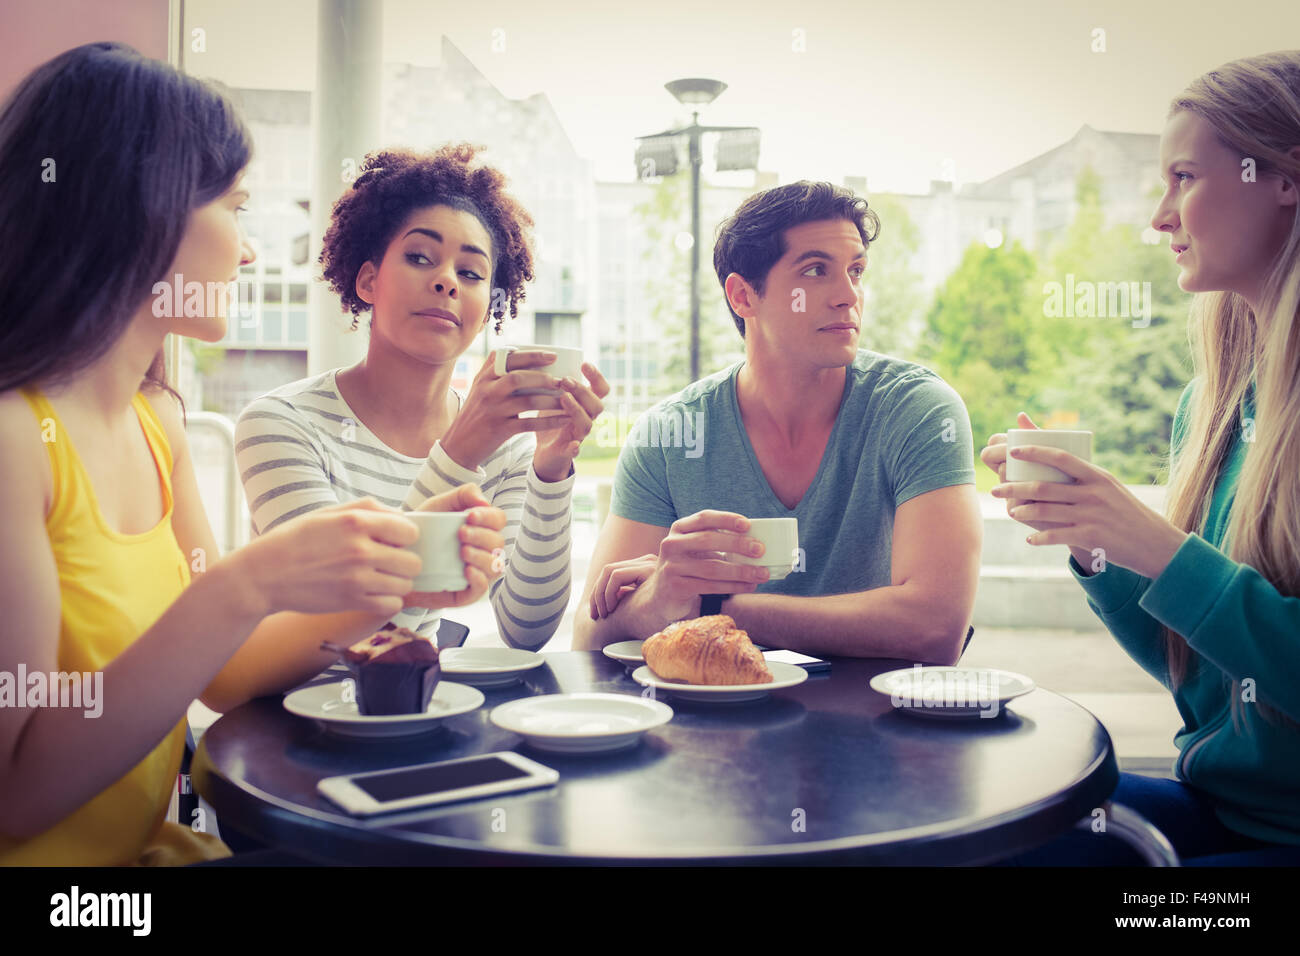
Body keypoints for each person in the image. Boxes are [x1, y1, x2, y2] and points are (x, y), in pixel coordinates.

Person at [0, 43, 506, 866]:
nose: (248, 252)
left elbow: (225, 674)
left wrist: (411, 568)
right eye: (235, 208)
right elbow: (19, 790)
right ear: (142, 207)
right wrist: (250, 582)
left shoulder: (155, 422)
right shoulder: (15, 443)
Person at [981, 51, 1300, 866]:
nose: (1160, 217)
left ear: (1284, 178)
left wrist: (1161, 548)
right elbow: (1194, 674)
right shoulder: (1216, 405)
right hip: (1223, 807)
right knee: (976, 817)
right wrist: (1100, 544)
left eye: (1185, 177)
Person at [574, 181, 982, 661]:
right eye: (815, 271)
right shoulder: (668, 435)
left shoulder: (917, 410)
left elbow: (935, 628)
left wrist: (716, 608)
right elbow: (588, 636)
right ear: (743, 296)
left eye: (856, 271)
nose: (848, 295)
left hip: (878, 726)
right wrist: (661, 597)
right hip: (709, 729)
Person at [235, 144, 607, 652]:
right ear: (368, 280)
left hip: (418, 711)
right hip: (294, 717)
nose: (446, 281)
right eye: (418, 257)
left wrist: (551, 469)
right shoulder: (281, 425)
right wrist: (457, 454)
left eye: (472, 273)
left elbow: (528, 629)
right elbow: (335, 628)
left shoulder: (507, 446)